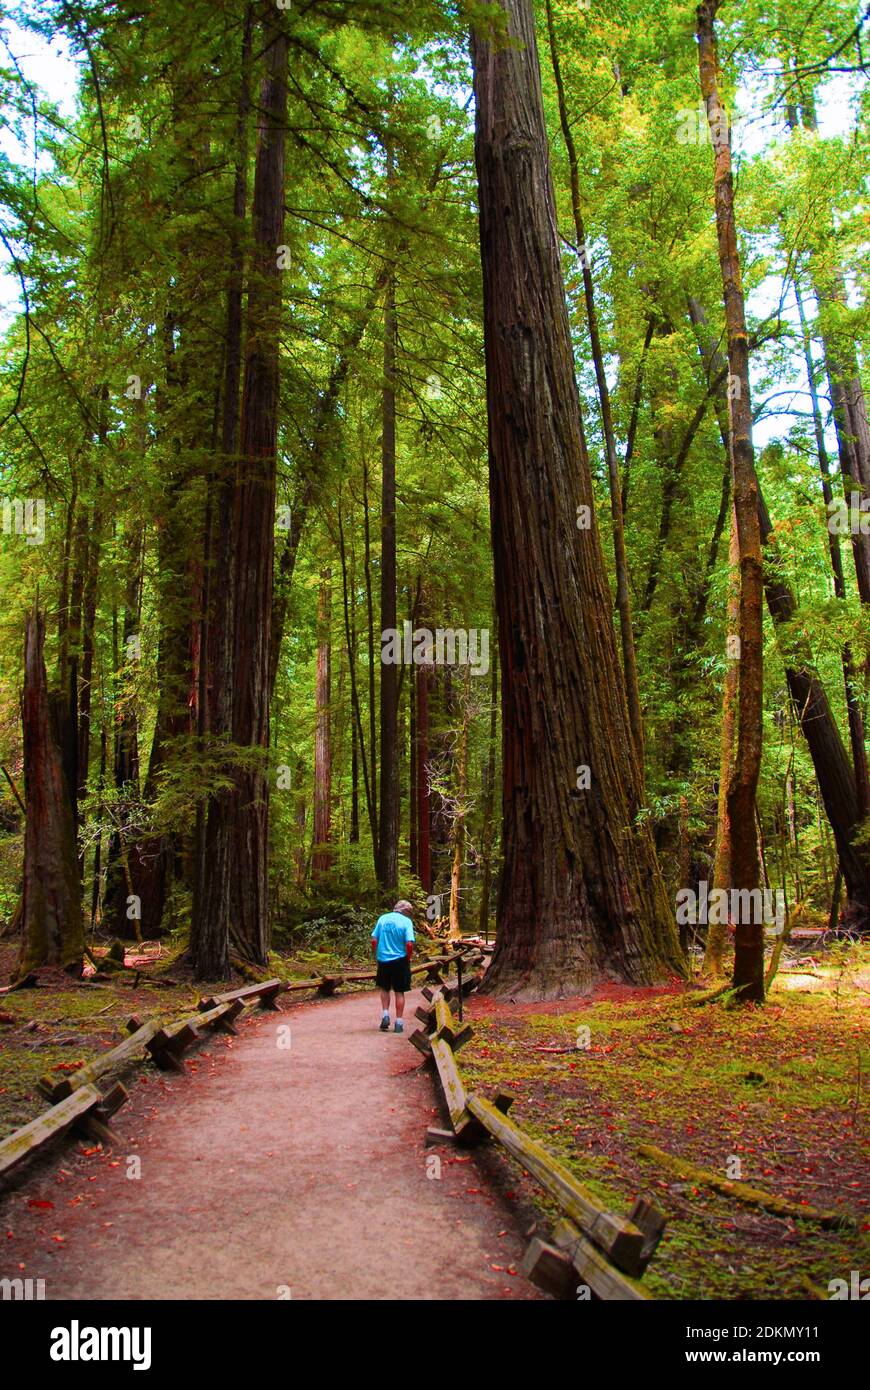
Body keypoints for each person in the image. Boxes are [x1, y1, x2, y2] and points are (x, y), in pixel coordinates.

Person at [371, 900, 415, 1033]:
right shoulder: (406, 922)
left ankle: (385, 1014)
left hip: (383, 959)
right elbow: (409, 944)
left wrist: (377, 953)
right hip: (400, 960)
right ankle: (399, 1022)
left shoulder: (383, 918)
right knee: (399, 992)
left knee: (384, 988)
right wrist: (408, 958)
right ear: (406, 911)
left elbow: (374, 939)